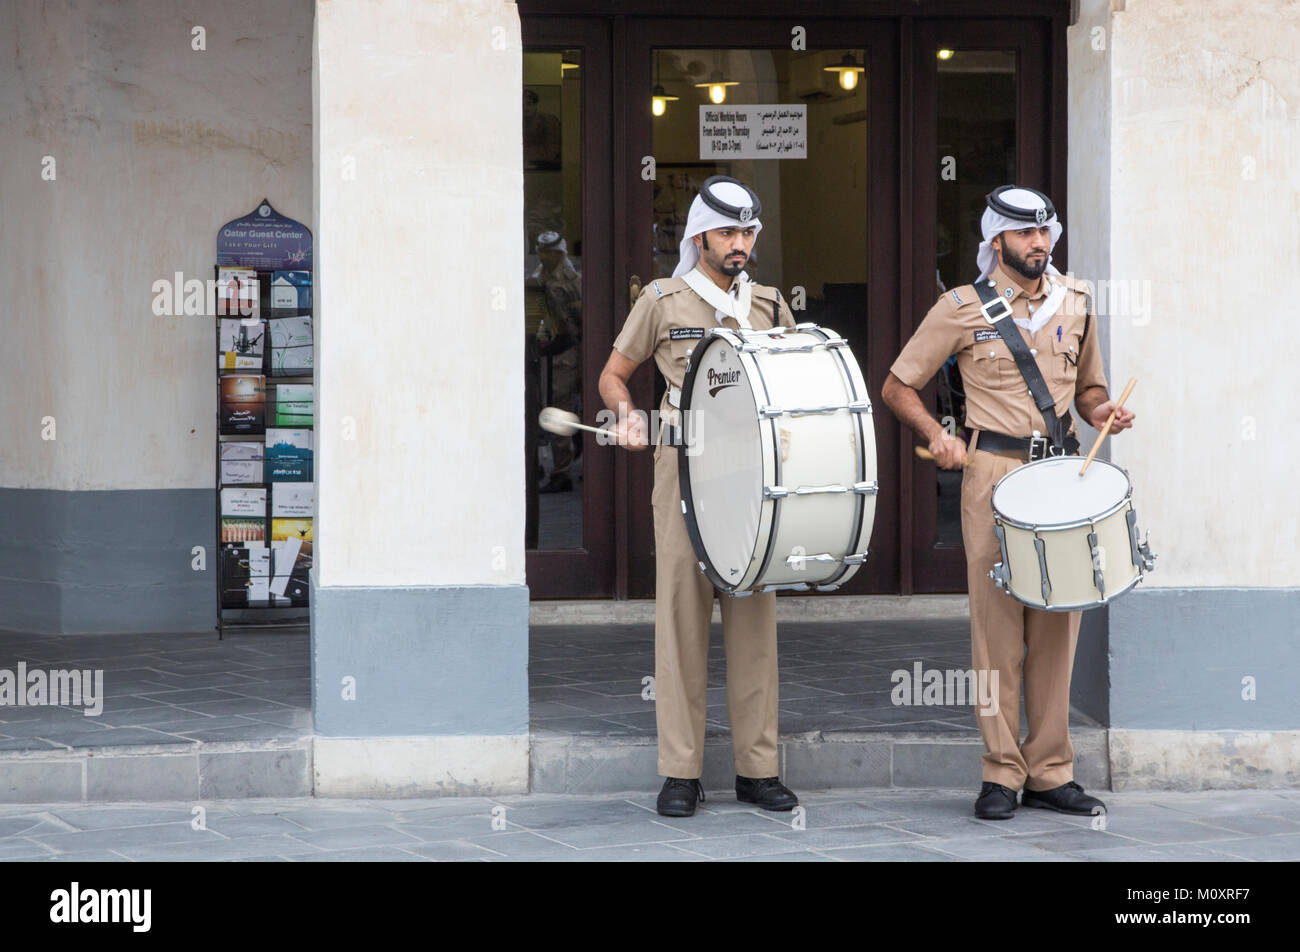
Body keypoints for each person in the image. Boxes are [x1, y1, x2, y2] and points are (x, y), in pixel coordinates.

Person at [881, 185, 1135, 820]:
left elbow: (1090, 389)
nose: (1040, 244)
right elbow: (897, 383)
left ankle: (1051, 771)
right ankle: (1001, 773)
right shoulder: (960, 307)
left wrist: (1105, 412)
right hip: (991, 472)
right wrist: (937, 435)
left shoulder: (1076, 301)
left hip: (1062, 470)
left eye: (1045, 232)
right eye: (1025, 235)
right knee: (997, 629)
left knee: (1059, 619)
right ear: (998, 240)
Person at [598, 176, 799, 817]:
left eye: (748, 234)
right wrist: (625, 414)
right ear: (699, 236)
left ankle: (758, 770)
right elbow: (612, 374)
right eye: (729, 233)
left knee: (753, 621)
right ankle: (681, 772)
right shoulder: (662, 299)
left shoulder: (768, 304)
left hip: (755, 475)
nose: (740, 245)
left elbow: (795, 380)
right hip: (684, 469)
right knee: (682, 618)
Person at [530, 231, 583, 493]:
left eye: (548, 251)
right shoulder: (540, 276)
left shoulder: (571, 280)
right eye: (540, 250)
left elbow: (578, 321)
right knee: (545, 406)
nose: (542, 255)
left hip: (566, 352)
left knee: (560, 407)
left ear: (559, 252)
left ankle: (562, 471)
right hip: (547, 351)